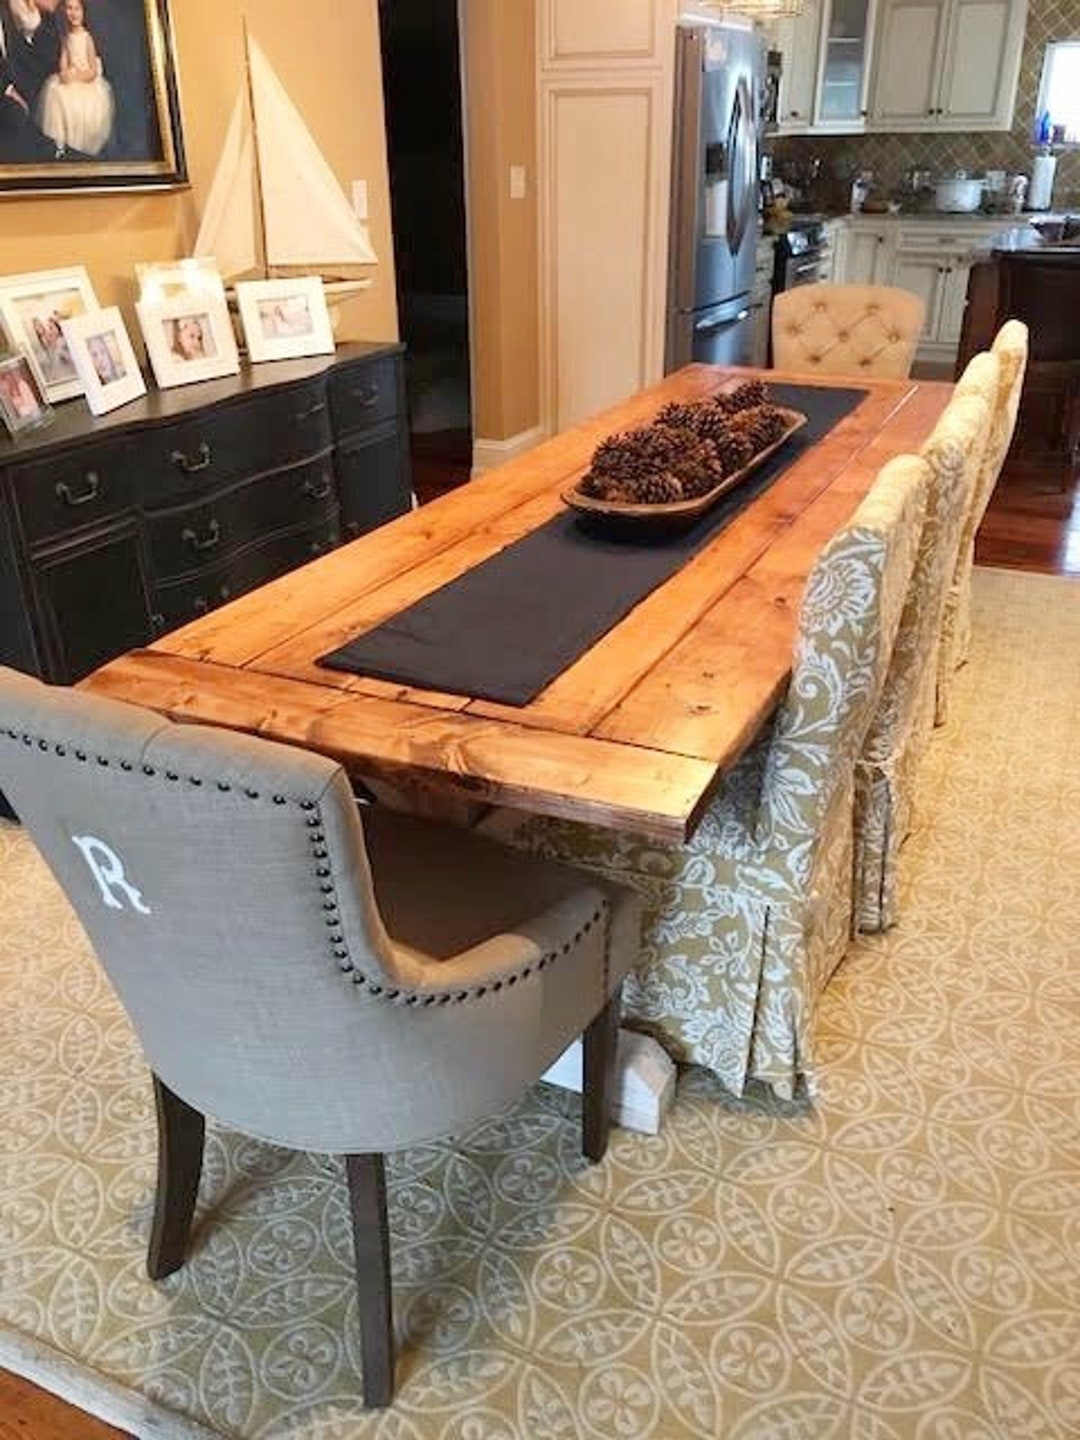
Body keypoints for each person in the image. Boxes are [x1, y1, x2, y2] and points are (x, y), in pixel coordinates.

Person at [36, 0, 113, 157]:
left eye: (77, 9)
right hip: (71, 77)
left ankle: (77, 146)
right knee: (55, 94)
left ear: (83, 12)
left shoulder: (87, 38)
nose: (73, 13)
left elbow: (92, 70)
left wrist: (78, 76)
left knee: (78, 106)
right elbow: (63, 61)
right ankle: (60, 144)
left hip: (85, 81)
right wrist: (64, 73)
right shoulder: (66, 37)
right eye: (69, 9)